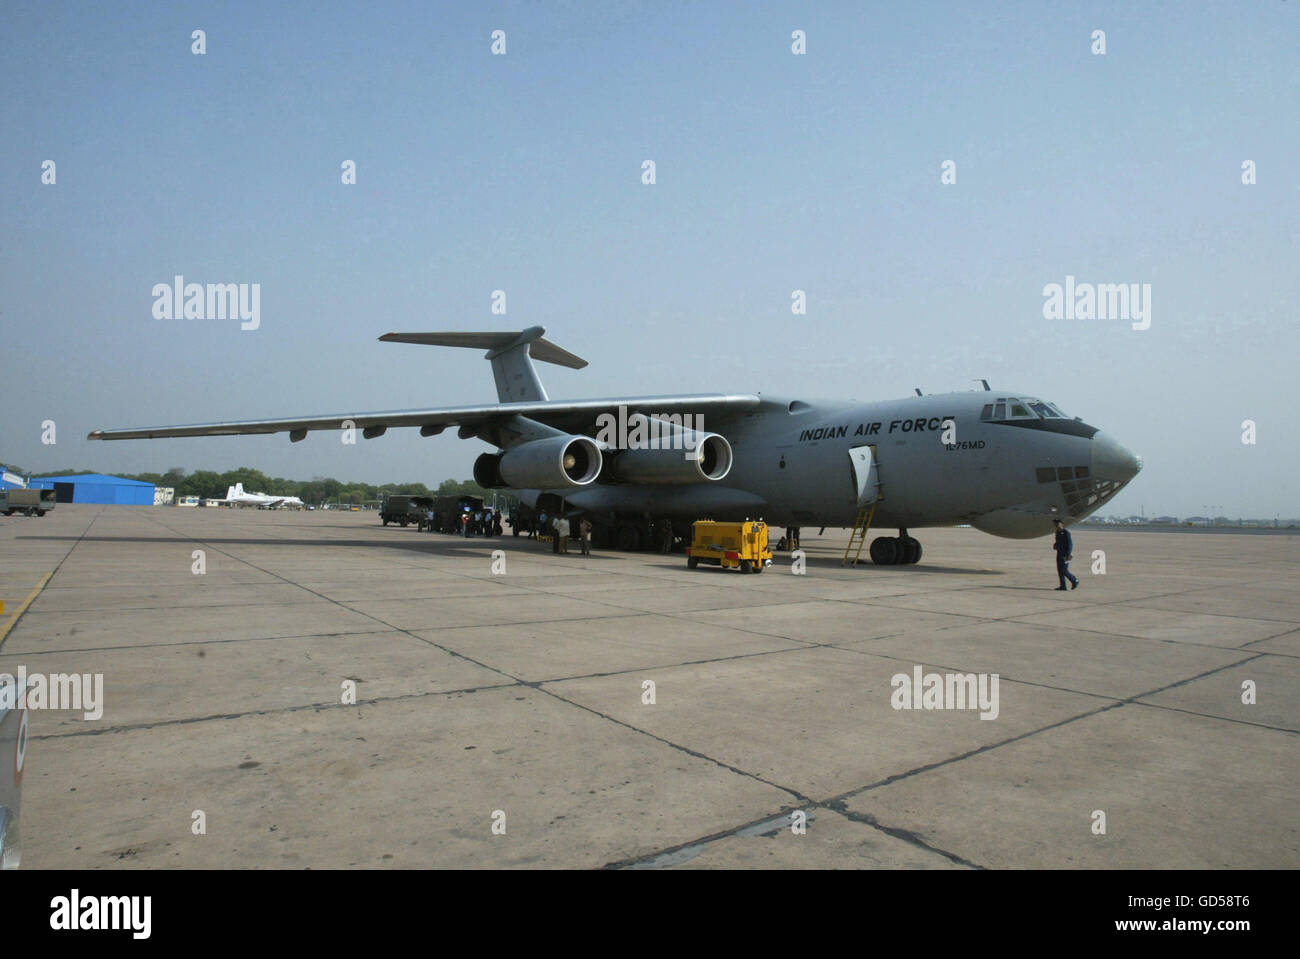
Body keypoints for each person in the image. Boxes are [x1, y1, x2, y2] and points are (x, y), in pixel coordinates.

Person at [1052, 518, 1079, 590]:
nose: (1056, 525)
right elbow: (1058, 542)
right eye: (1055, 524)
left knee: (1064, 570)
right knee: (1060, 570)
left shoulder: (1066, 532)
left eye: (1058, 523)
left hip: (1066, 554)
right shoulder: (1057, 532)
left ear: (1062, 524)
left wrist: (1068, 554)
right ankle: (1063, 586)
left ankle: (1074, 580)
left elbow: (1070, 544)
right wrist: (1055, 545)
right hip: (1059, 553)